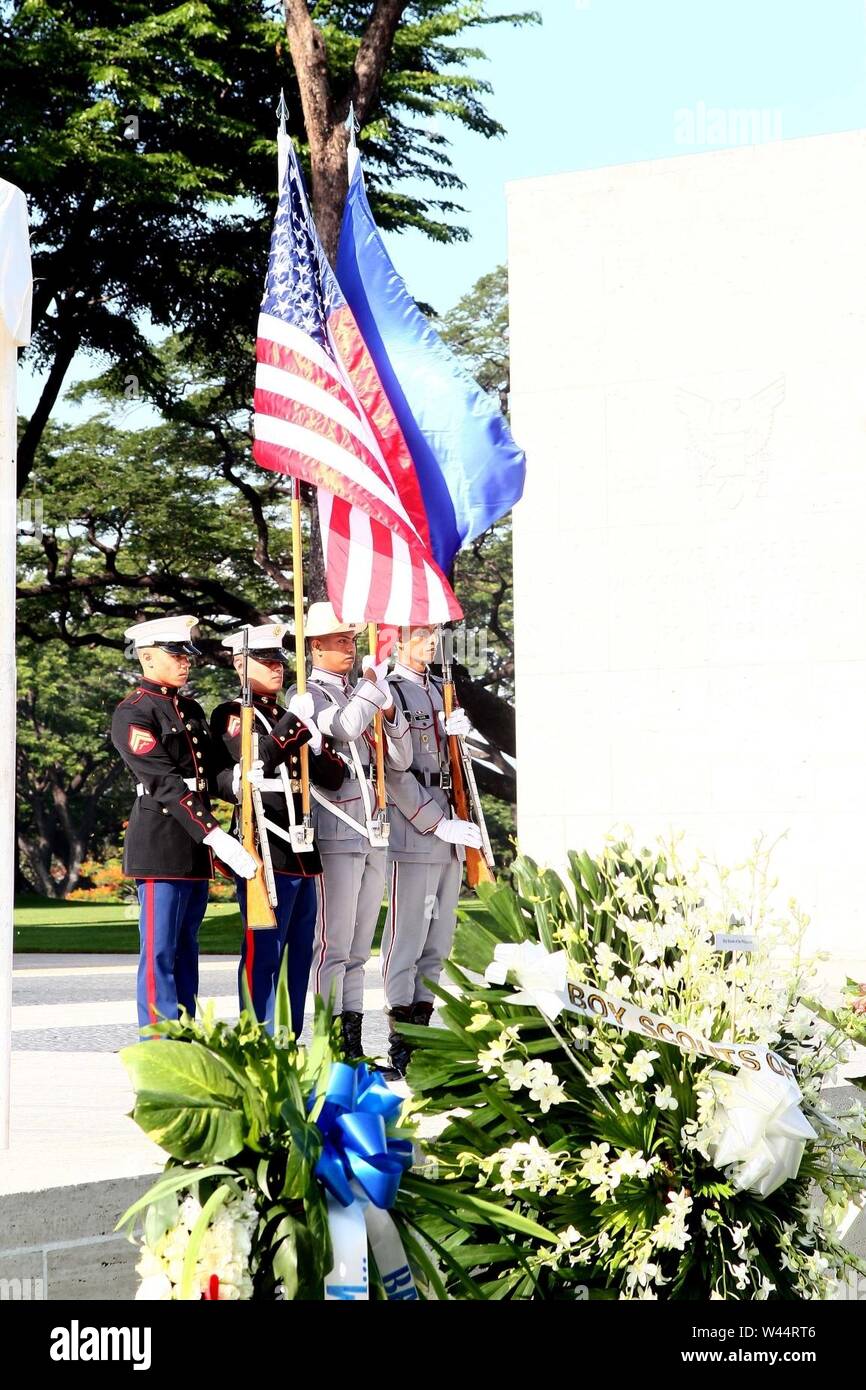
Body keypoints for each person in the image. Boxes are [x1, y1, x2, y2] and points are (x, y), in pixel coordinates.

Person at [110, 615, 257, 1032]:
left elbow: (210, 774)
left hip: (194, 846)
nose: (185, 661)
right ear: (147, 657)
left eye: (186, 653)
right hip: (160, 843)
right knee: (160, 951)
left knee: (186, 948)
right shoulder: (133, 713)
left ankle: (186, 1032)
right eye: (175, 654)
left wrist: (241, 779)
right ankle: (160, 1040)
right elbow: (165, 783)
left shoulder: (189, 709)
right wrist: (214, 833)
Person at [209, 622, 345, 1034]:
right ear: (239, 665)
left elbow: (331, 777)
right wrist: (291, 726)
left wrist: (316, 739)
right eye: (266, 661)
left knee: (299, 951)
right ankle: (259, 1031)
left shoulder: (288, 715)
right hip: (265, 842)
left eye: (279, 662)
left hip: (302, 850)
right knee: (264, 947)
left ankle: (289, 1034)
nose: (277, 669)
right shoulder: (233, 714)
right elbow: (253, 764)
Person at [295, 602, 412, 1059]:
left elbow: (398, 760)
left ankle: (353, 1045)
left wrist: (390, 711)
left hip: (372, 830)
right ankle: (326, 1042)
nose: (349, 647)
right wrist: (369, 692)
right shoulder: (308, 696)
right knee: (333, 944)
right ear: (316, 648)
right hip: (337, 829)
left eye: (350, 639)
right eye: (339, 641)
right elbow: (343, 730)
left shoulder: (356, 693)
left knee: (360, 949)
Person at [380, 625, 482, 1076]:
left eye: (433, 633)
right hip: (417, 830)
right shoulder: (390, 692)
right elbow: (393, 772)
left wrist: (463, 733)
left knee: (438, 943)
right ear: (395, 641)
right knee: (406, 940)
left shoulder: (443, 690)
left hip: (452, 828)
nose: (431, 641)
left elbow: (457, 765)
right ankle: (401, 1043)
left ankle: (422, 1038)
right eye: (420, 634)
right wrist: (436, 822)